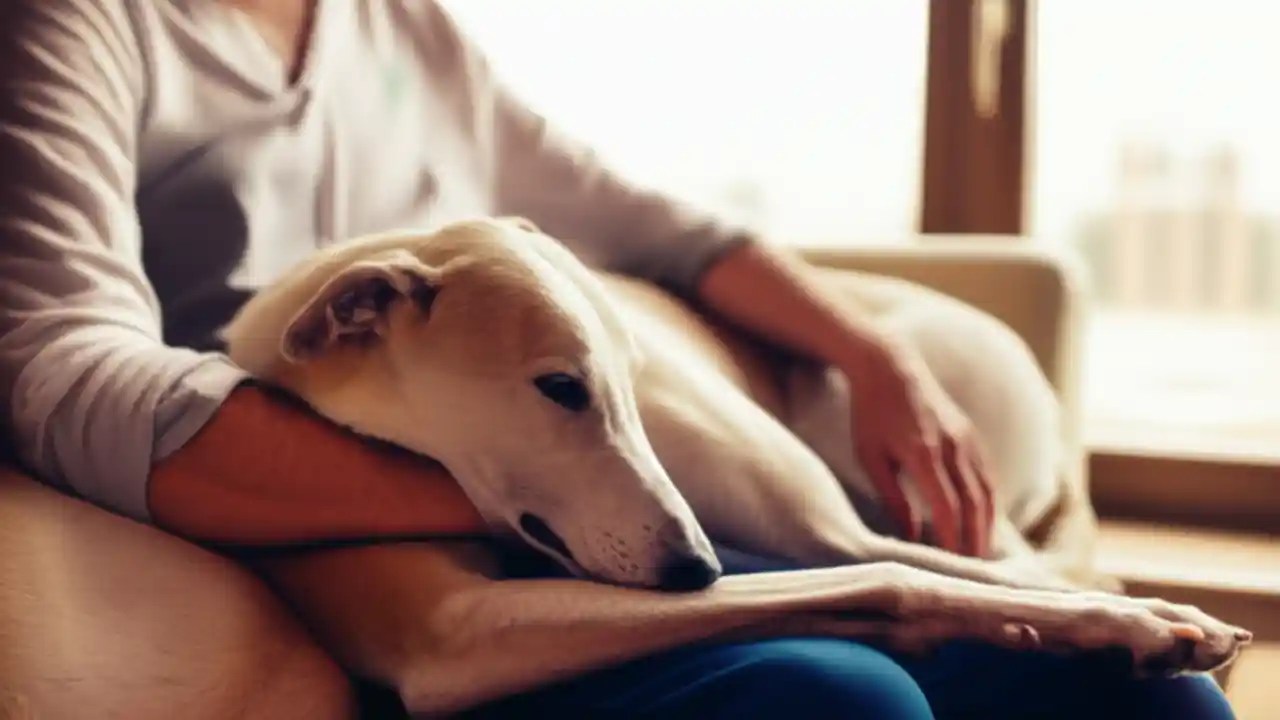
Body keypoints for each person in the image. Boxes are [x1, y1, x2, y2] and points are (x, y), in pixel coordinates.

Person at [0, 1, 1236, 718]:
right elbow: (59, 362)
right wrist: (468, 482)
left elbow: (652, 226)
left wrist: (874, 358)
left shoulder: (393, 26)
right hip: (353, 520)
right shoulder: (80, 25)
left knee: (1156, 701)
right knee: (839, 703)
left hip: (542, 494)